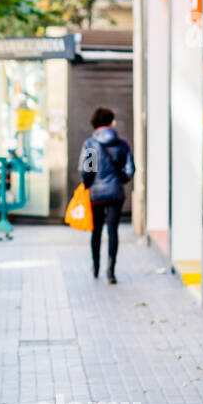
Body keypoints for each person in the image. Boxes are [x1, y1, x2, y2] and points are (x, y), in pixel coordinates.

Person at [78, 107, 135, 283]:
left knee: (96, 231)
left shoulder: (91, 144)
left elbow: (87, 170)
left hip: (96, 193)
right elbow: (130, 168)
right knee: (113, 231)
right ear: (111, 123)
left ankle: (95, 267)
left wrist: (88, 185)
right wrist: (121, 180)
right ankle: (111, 271)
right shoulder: (121, 143)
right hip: (116, 193)